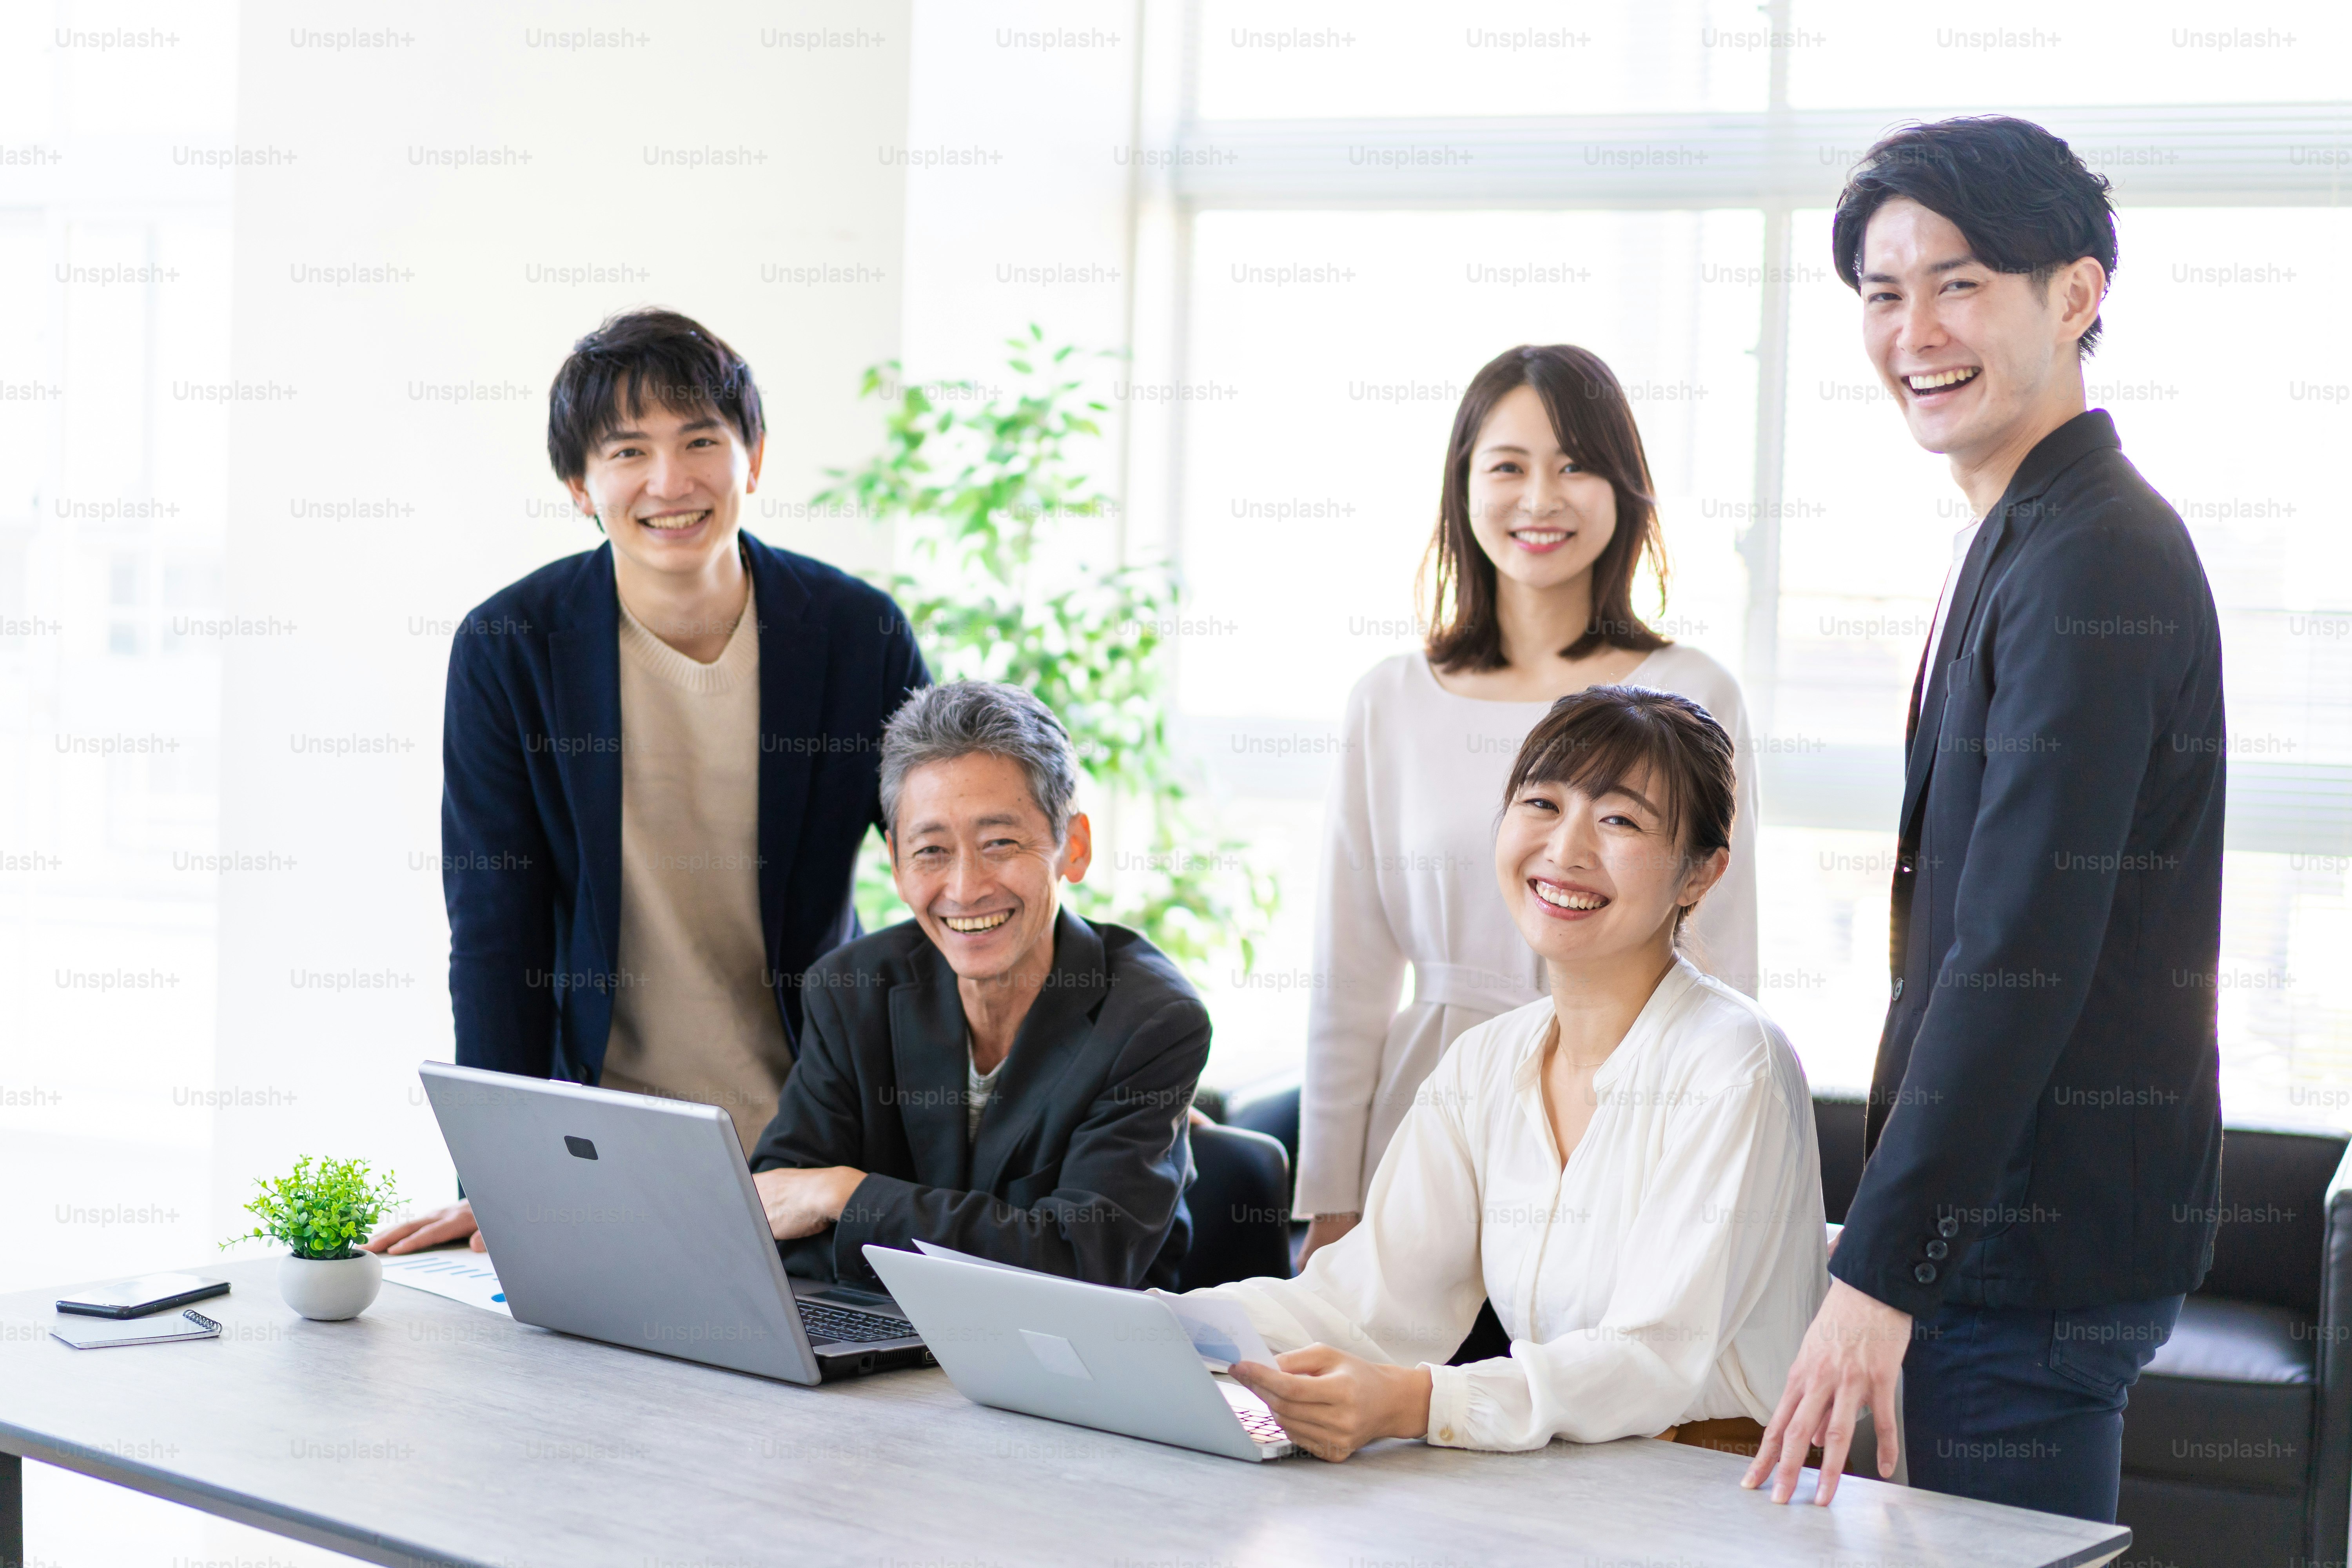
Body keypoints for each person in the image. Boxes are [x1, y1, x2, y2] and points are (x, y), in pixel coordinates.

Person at [1745, 116, 2225, 1521]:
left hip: (2032, 1251)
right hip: (2012, 1237)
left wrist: (1882, 1270)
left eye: (1958, 284)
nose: (1914, 332)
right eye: (1882, 295)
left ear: (2075, 295)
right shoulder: (2025, 532)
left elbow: (2019, 950)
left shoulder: (2094, 556)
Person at [371, 308, 928, 1257]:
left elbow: (955, 870)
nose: (670, 482)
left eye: (701, 440)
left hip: (814, 1144)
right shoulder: (512, 648)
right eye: (628, 451)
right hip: (603, 1154)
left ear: (753, 459)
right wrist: (502, 1178)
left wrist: (1078, 1067)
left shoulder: (854, 631)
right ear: (579, 485)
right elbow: (497, 937)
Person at [1190, 686, 1823, 1461]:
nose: (1566, 848)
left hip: (1722, 1486)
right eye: (1542, 803)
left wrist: (1416, 1398)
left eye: (1620, 819)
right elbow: (1365, 1302)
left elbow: (1651, 1358)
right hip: (1567, 1471)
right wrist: (1161, 1327)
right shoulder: (1486, 1062)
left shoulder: (1734, 1061)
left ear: (1700, 874)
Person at [1297, 344, 1760, 1268]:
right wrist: (1332, 1198)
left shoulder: (1686, 689)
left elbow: (1725, 962)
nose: (1541, 498)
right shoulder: (1390, 697)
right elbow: (1347, 973)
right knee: (1400, 1395)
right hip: (1425, 1115)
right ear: (1462, 486)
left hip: (1624, 1112)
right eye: (1508, 466)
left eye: (1577, 465)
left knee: (1581, 1397)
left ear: (1624, 490)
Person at [748, 680, 1212, 1289]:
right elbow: (772, 1218)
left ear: (1072, 848)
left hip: (1080, 1367)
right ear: (895, 862)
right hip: (880, 1352)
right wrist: (998, 1238)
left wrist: (845, 1195)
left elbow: (1078, 1266)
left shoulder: (1151, 1020)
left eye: (1000, 843)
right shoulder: (851, 988)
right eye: (932, 851)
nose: (966, 888)